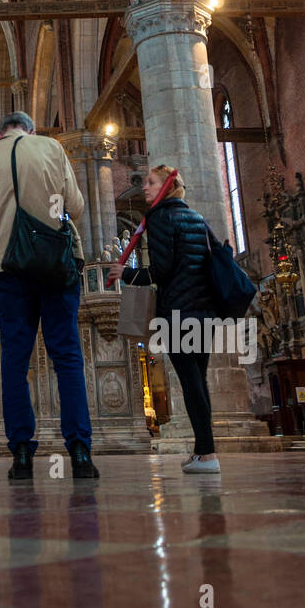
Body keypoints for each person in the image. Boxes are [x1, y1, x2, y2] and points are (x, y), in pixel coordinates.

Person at [0, 110, 97, 482]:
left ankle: (22, 451)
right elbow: (75, 206)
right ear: (31, 129)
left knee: (14, 359)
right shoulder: (52, 148)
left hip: (7, 269)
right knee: (67, 356)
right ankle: (80, 451)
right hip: (56, 264)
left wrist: (1, 216)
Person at [109, 165, 220, 473]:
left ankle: (208, 454)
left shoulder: (160, 218)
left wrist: (126, 273)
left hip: (178, 312)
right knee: (199, 381)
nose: (144, 187)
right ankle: (203, 452)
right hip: (204, 311)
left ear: (167, 187)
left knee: (191, 383)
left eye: (151, 182)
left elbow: (161, 271)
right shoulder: (196, 218)